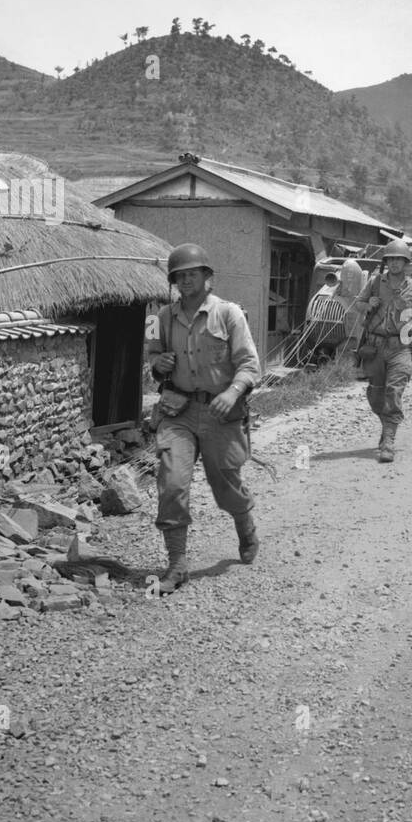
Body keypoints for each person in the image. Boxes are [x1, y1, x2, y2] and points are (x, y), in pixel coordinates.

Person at [148, 243, 262, 594]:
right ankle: (177, 564)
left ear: (207, 278)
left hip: (221, 413)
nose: (185, 280)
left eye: (192, 274)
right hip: (177, 412)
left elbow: (250, 365)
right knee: (173, 483)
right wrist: (158, 365)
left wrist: (232, 393)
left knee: (226, 485)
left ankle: (245, 525)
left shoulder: (229, 314)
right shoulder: (161, 318)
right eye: (179, 276)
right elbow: (150, 359)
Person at [358, 240, 412, 462]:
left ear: (406, 262)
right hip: (375, 347)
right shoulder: (375, 282)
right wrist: (369, 304)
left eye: (399, 259)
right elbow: (358, 303)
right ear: (385, 262)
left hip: (401, 348)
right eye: (391, 259)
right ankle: (386, 424)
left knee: (394, 392)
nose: (395, 263)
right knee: (376, 396)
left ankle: (388, 441)